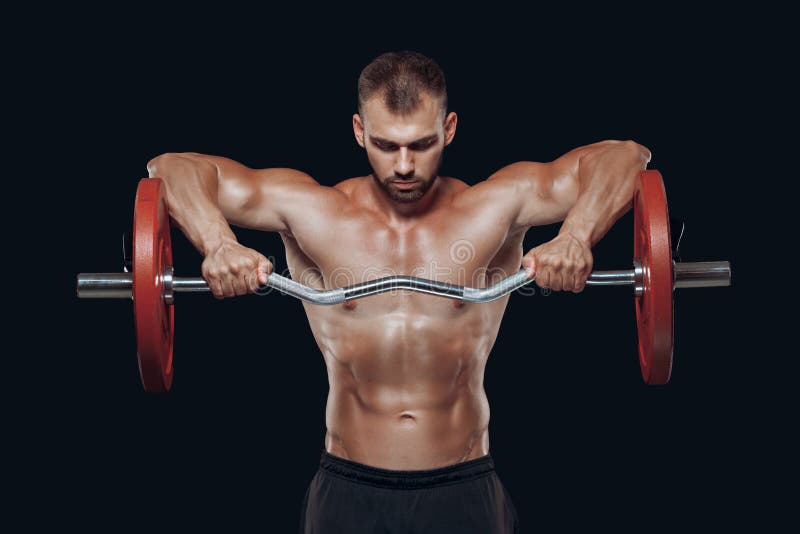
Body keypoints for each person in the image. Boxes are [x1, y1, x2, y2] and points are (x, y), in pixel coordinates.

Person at [147, 50, 651, 533]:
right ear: (359, 130)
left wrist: (576, 235)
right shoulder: (312, 210)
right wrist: (217, 244)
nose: (404, 165)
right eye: (386, 146)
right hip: (348, 487)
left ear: (448, 129)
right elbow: (172, 167)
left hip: (464, 483)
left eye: (422, 144)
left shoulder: (495, 206)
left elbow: (625, 157)